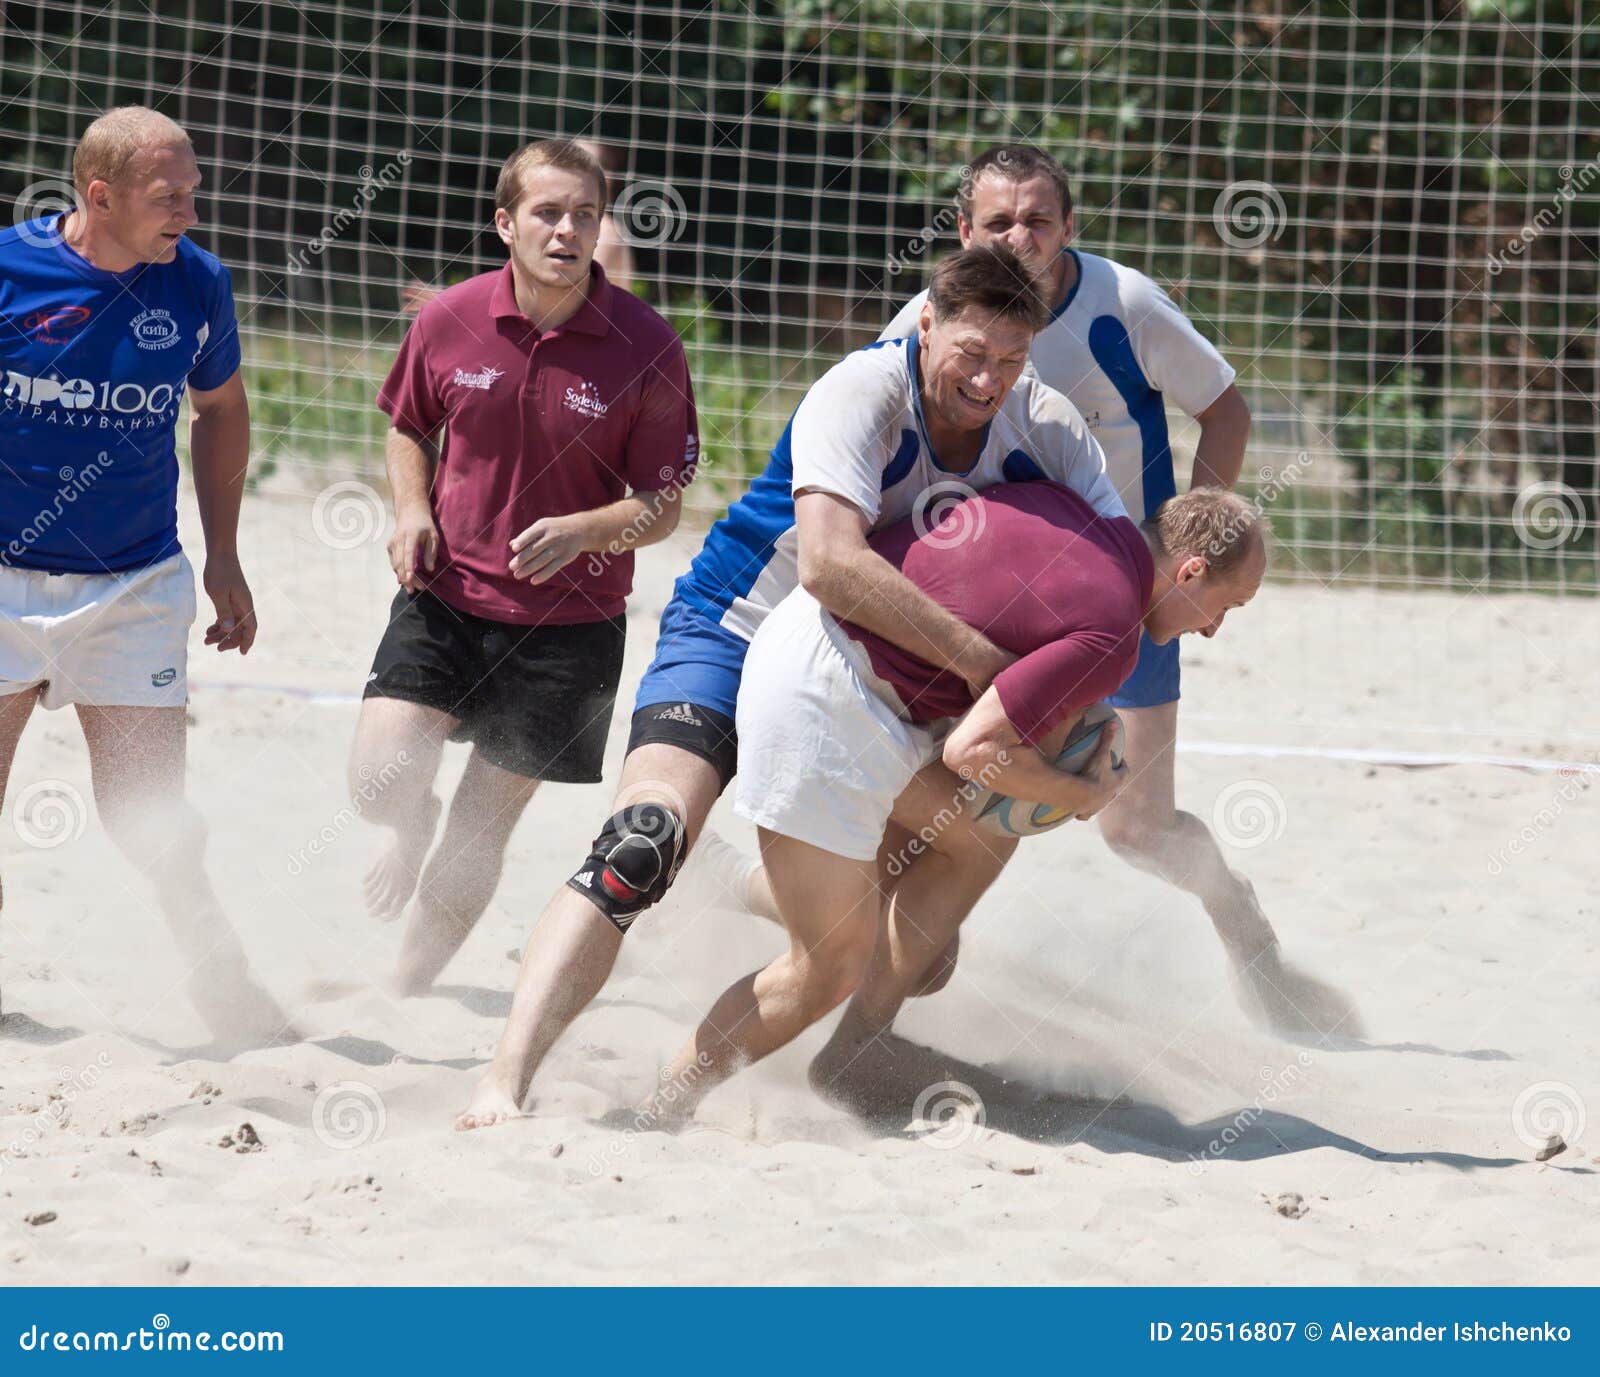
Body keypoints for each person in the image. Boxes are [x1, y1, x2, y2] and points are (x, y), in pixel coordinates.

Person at [456, 243, 1125, 1129]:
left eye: (1011, 359)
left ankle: (789, 978)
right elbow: (830, 568)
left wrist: (1093, 705)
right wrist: (986, 666)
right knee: (639, 847)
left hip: (879, 675)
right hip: (737, 629)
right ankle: (503, 1080)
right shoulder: (864, 392)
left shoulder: (1045, 424)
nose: (989, 379)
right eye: (973, 353)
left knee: (923, 948)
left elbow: (1111, 564)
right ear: (926, 325)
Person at [875, 145, 1335, 1033]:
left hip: (1130, 603)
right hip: (1000, 605)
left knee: (1133, 829)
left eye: (1038, 219)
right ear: (964, 232)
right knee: (938, 793)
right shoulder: (925, 325)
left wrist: (1196, 527)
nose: (1020, 236)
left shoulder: (1122, 303)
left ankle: (1240, 924)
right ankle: (888, 991)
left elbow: (1227, 408)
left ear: (1069, 227)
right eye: (1000, 221)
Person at [650, 484, 1267, 1116]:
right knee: (826, 968)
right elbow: (971, 751)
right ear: (1190, 571)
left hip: (827, 653)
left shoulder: (1087, 515)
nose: (1214, 629)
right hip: (828, 697)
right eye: (1227, 606)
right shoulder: (1115, 633)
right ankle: (660, 1107)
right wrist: (1080, 792)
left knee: (965, 870)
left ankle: (854, 1044)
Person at [350, 139, 698, 994]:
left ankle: (401, 990)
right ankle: (407, 820)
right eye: (548, 212)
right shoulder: (450, 317)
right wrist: (410, 509)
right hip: (445, 596)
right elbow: (405, 425)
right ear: (506, 223)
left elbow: (664, 503)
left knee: (480, 832)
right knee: (374, 782)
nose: (568, 229)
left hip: (569, 629)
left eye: (586, 214)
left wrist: (586, 529)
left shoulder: (647, 346)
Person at [0, 106, 283, 1040]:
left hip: (131, 585)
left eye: (193, 192)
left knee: (147, 815)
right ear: (99, 194)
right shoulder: (10, 270)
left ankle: (219, 974)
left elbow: (221, 412)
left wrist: (227, 556)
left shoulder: (197, 284)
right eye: (170, 197)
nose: (190, 214)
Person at [402, 139, 636, 311]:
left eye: (585, 162)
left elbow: (565, 299)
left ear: (607, 176)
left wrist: (455, 305)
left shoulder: (603, 234)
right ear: (504, 224)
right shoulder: (593, 228)